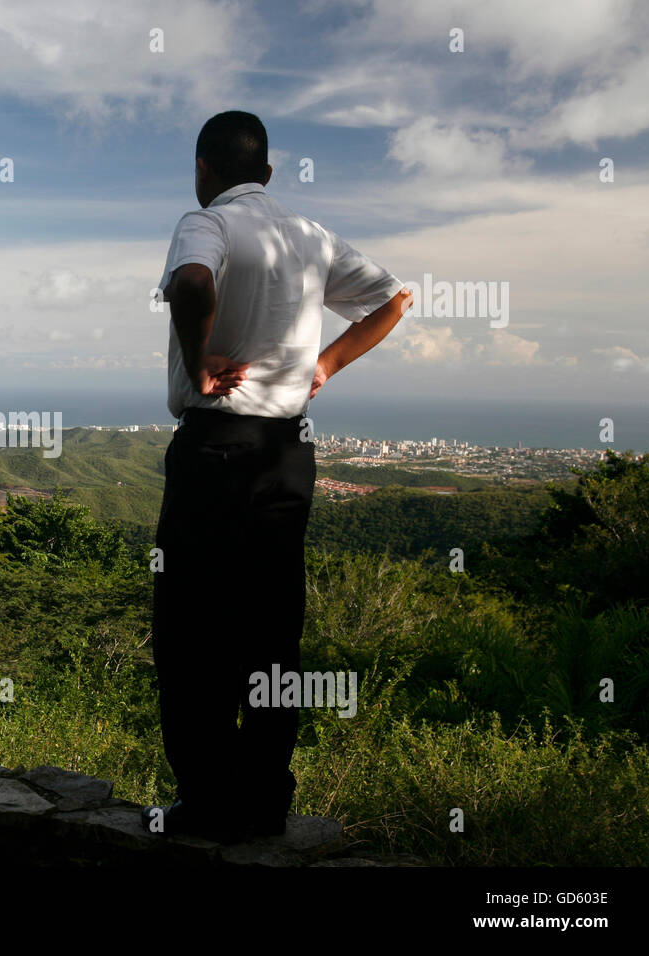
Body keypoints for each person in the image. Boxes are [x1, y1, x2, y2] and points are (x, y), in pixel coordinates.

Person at [142, 111, 413, 843]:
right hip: (287, 457)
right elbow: (395, 299)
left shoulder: (206, 224)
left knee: (192, 630)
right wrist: (325, 364)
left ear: (203, 170)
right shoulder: (311, 237)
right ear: (266, 174)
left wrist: (199, 361)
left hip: (214, 453)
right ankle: (264, 804)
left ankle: (206, 804)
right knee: (270, 629)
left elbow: (192, 284)